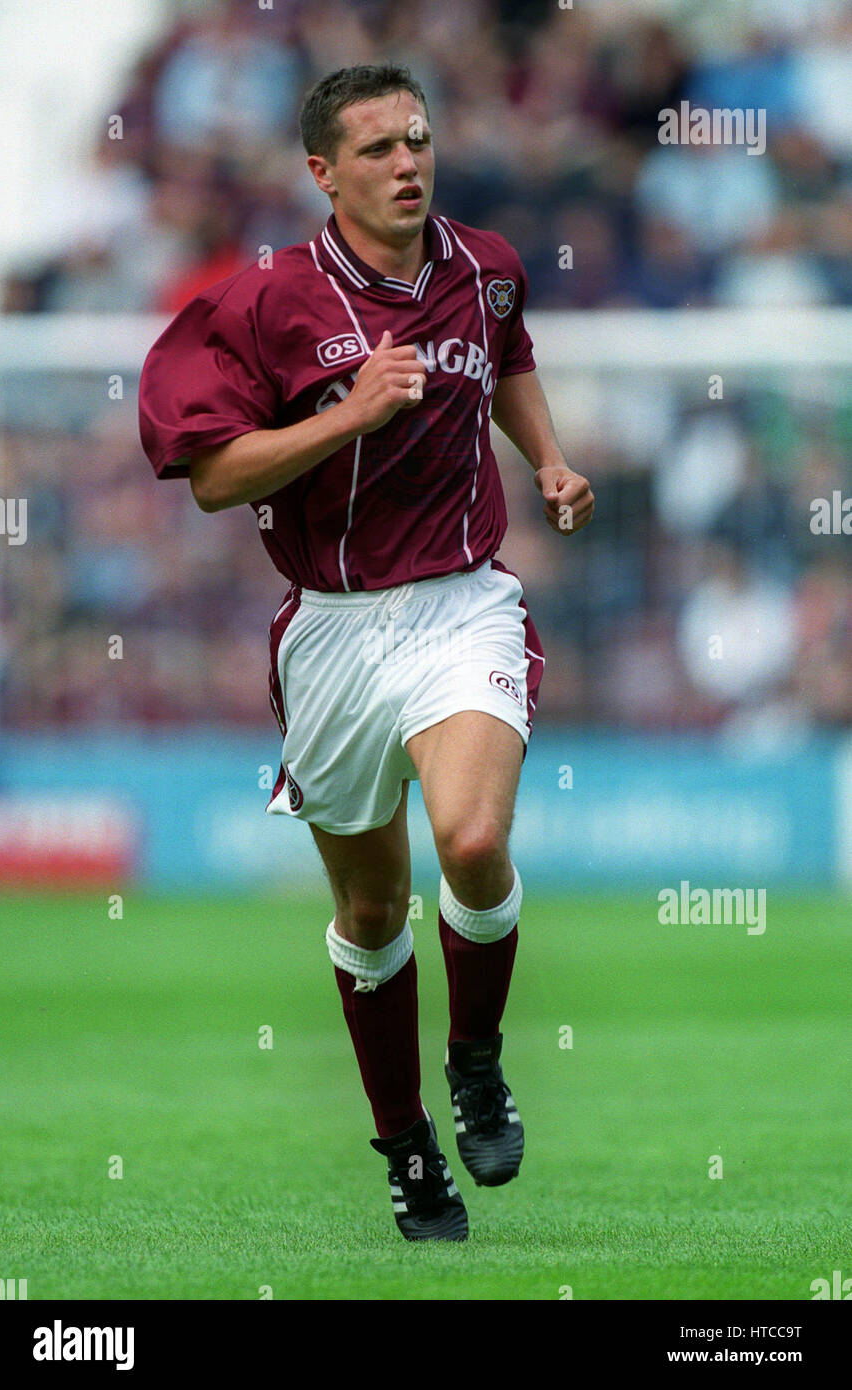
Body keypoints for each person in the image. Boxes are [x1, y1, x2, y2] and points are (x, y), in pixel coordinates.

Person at [139, 63, 594, 1241]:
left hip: (461, 604)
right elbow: (208, 481)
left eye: (419, 140)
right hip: (333, 628)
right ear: (322, 173)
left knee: (475, 840)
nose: (407, 163)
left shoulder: (484, 267)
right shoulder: (265, 302)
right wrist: (346, 412)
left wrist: (544, 460)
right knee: (377, 911)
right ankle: (405, 1150)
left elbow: (507, 362)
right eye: (381, 148)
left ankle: (477, 1061)